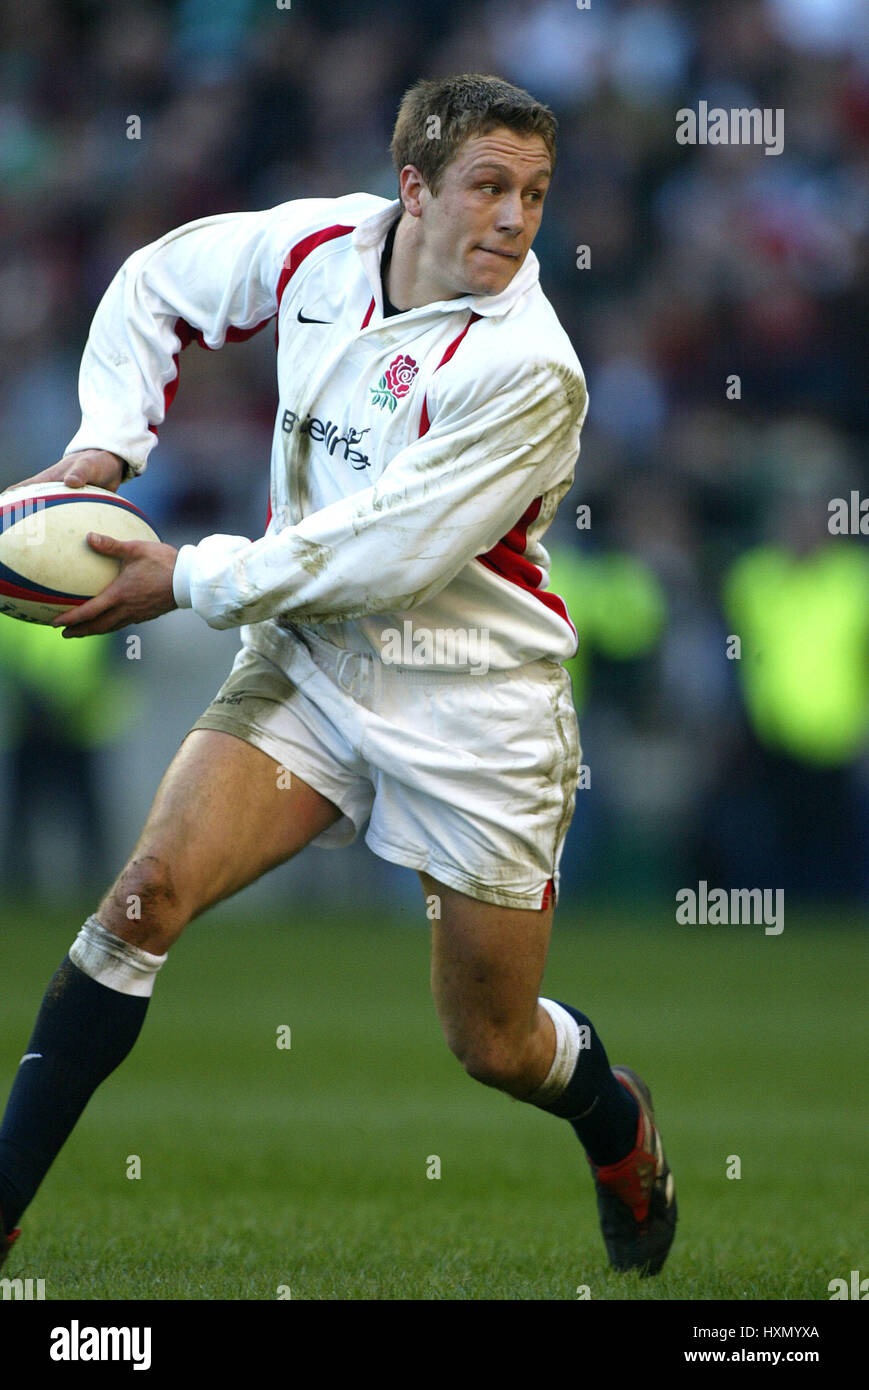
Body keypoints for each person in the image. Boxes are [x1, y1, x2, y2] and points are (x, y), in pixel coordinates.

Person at [0, 74, 676, 1280]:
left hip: (477, 704)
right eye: (487, 187)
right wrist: (110, 439)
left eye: (532, 194)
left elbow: (378, 553)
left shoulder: (530, 366)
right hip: (311, 664)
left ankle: (611, 1119)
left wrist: (182, 576)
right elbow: (159, 280)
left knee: (494, 1042)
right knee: (144, 897)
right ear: (410, 187)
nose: (515, 220)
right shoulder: (321, 244)